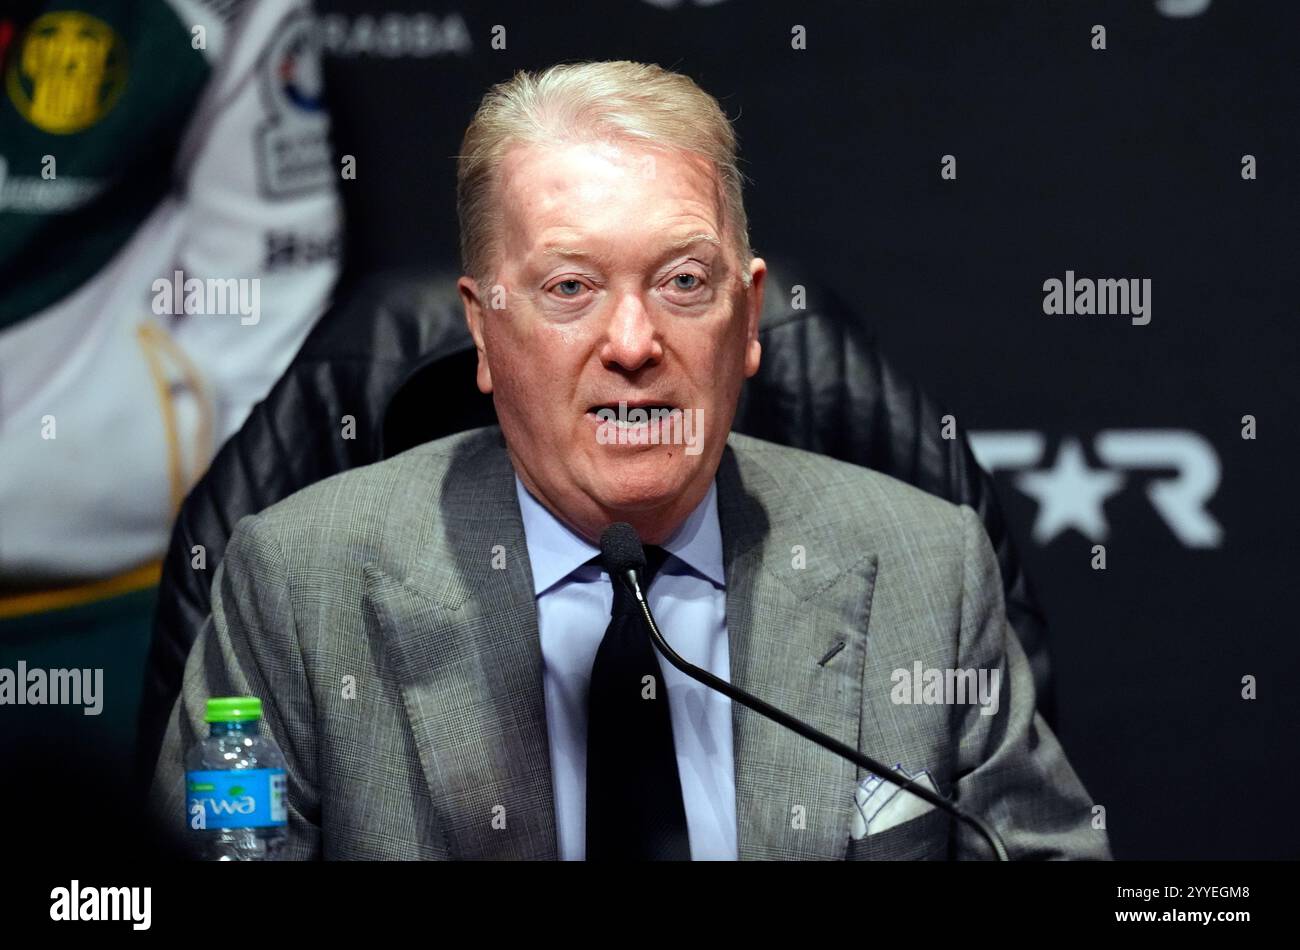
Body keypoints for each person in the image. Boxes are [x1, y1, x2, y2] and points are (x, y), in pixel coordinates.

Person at [150, 60, 1110, 861]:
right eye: (570, 287)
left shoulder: (927, 569)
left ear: (748, 316)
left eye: (684, 282)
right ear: (483, 332)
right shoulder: (296, 585)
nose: (634, 340)